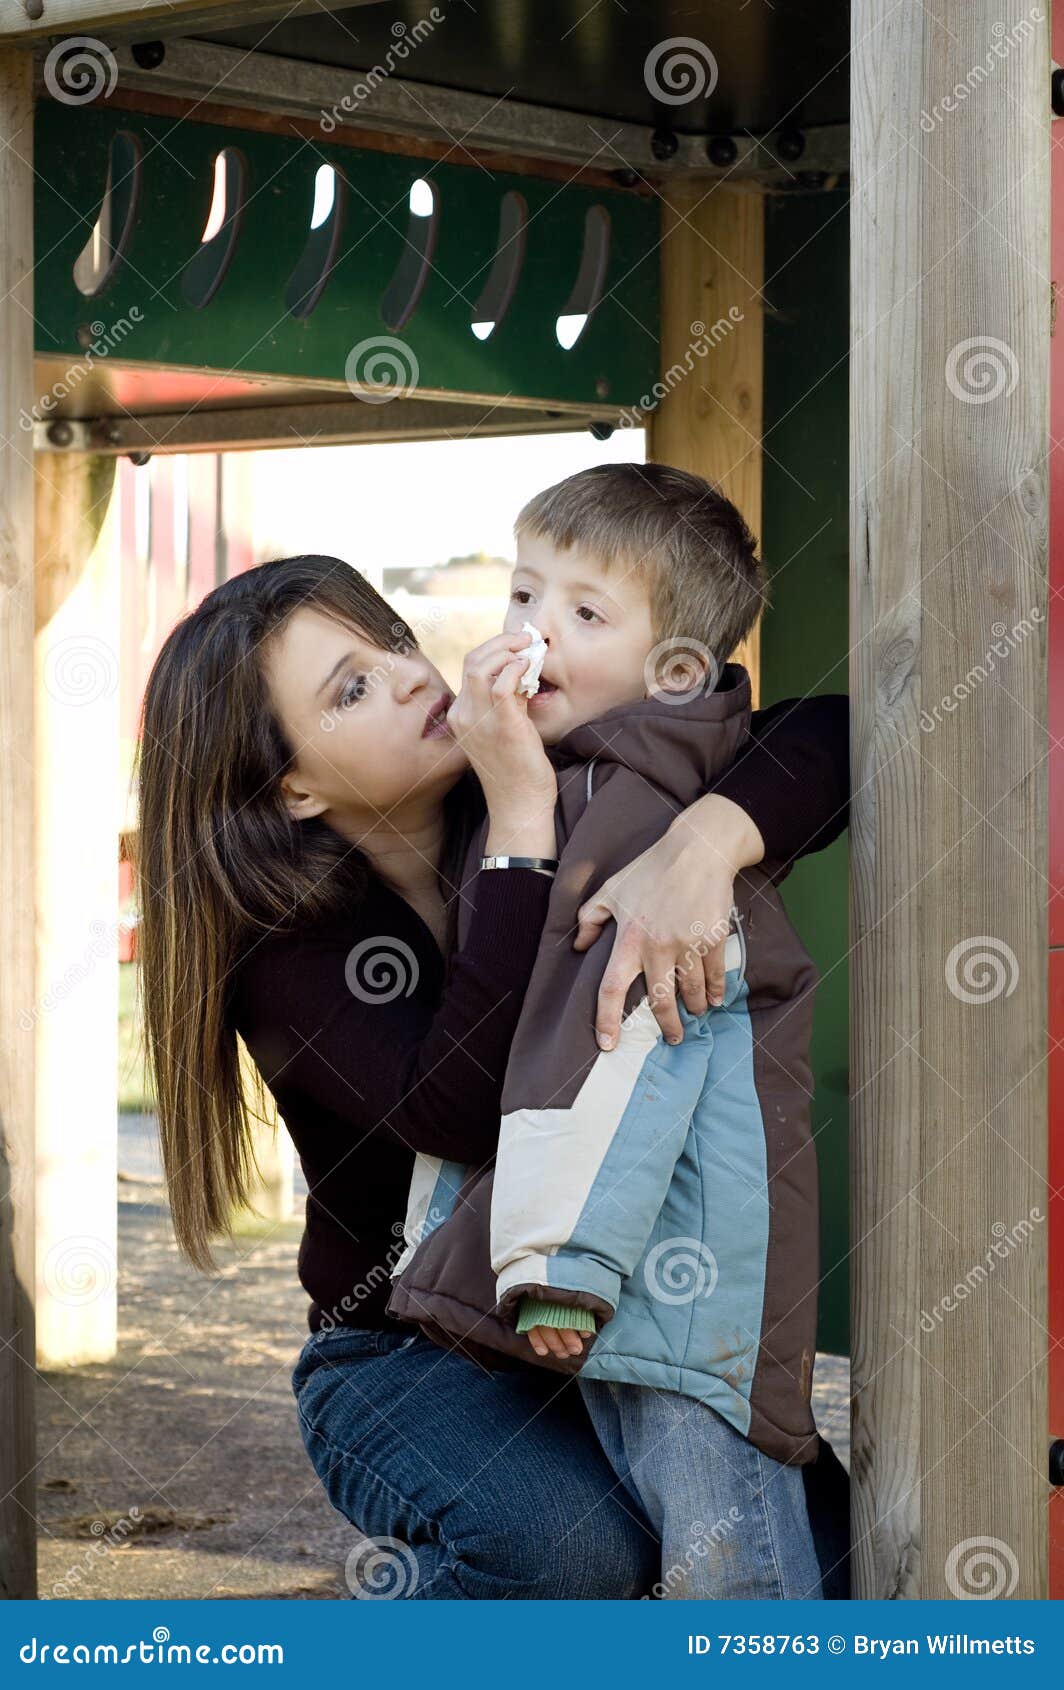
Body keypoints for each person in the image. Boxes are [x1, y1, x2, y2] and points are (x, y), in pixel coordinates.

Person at [133, 540, 849, 1601]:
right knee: (573, 1552)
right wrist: (521, 830)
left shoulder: (546, 772)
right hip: (403, 1357)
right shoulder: (282, 952)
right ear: (288, 787)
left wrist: (703, 844)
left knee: (816, 1545)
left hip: (602, 1306)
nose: (414, 673)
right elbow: (458, 1111)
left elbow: (822, 735)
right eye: (354, 689)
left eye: (388, 638)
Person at [389, 463, 832, 1599]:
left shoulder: (625, 808)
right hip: (641, 1256)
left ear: (672, 672)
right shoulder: (570, 782)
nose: (534, 630)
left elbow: (615, 1047)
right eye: (524, 594)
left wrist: (561, 1267)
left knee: (729, 1569)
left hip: (669, 1259)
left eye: (584, 613)